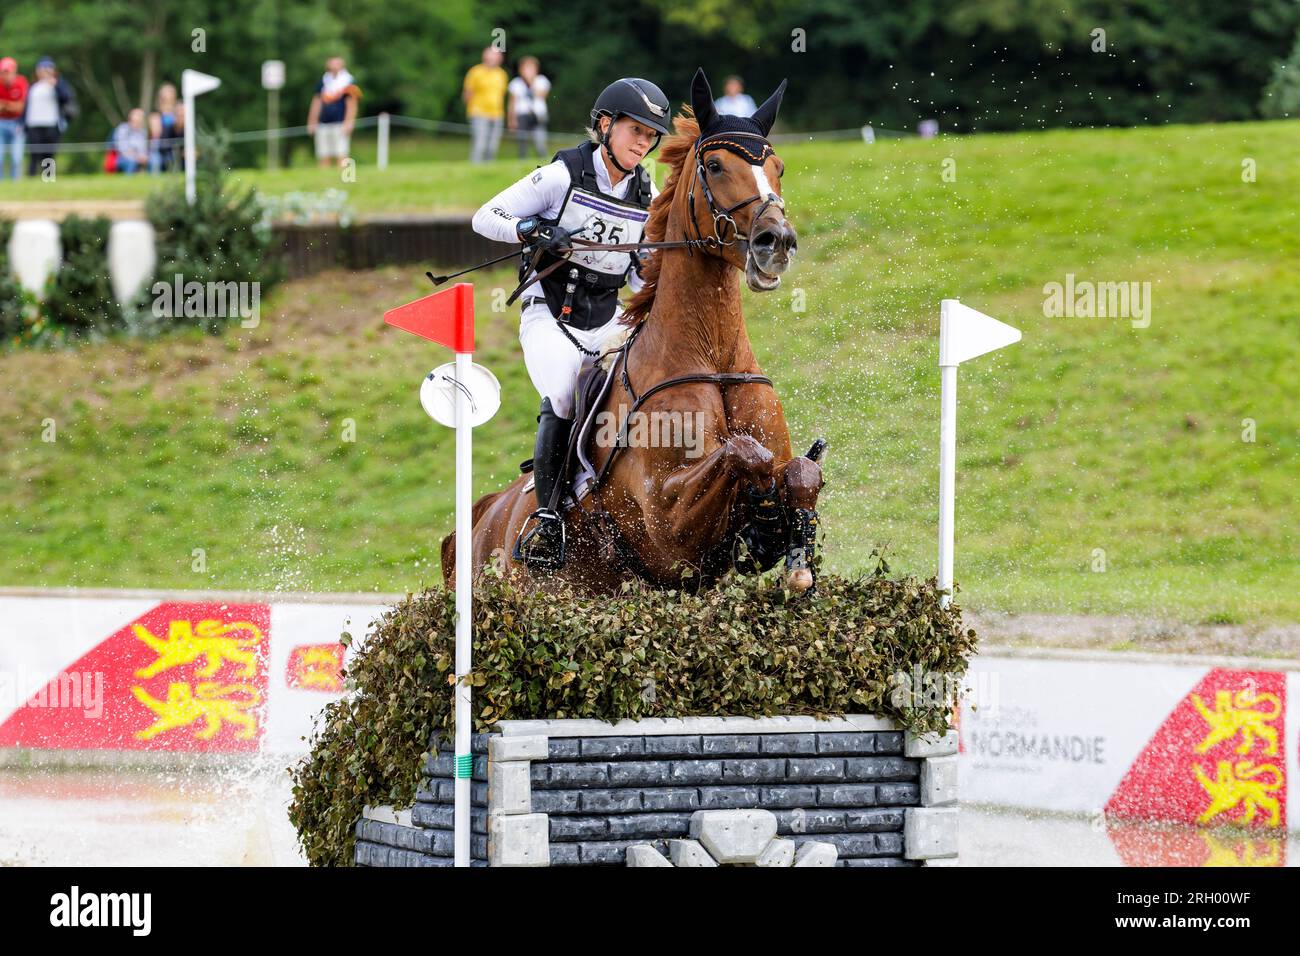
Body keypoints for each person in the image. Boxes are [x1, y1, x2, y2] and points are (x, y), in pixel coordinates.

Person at [471, 77, 670, 570]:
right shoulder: (561, 175)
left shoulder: (650, 192)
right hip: (550, 317)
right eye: (635, 130)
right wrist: (531, 228)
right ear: (605, 125)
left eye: (651, 136)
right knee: (563, 392)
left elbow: (643, 264)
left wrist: (650, 263)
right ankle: (547, 516)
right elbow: (485, 216)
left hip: (609, 320)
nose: (643, 143)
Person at [24, 58, 77, 177]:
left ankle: (48, 179)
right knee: (34, 154)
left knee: (49, 154)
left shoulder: (58, 84)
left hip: (51, 124)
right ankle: (31, 178)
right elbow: (26, 106)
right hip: (33, 124)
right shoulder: (33, 86)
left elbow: (66, 97)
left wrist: (55, 84)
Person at [307, 57, 361, 168]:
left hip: (340, 122)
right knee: (323, 153)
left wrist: (349, 122)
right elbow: (316, 102)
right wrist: (312, 121)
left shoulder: (349, 82)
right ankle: (324, 179)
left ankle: (342, 178)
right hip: (323, 123)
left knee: (341, 153)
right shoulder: (323, 81)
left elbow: (352, 103)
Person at [463, 47, 508, 163]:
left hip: (497, 114)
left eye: (496, 56)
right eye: (491, 55)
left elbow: (501, 95)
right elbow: (467, 94)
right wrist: (472, 110)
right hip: (479, 113)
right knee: (480, 144)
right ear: (485, 56)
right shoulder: (475, 72)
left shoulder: (502, 74)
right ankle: (474, 167)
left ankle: (488, 169)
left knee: (492, 146)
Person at [507, 56, 550, 158]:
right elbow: (512, 103)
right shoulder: (516, 83)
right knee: (522, 141)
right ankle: (523, 160)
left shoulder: (541, 80)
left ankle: (543, 159)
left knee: (540, 141)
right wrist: (511, 120)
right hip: (522, 115)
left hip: (538, 115)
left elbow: (542, 95)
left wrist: (530, 81)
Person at [0, 58, 29, 180]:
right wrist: (11, 106)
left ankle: (15, 183)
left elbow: (20, 108)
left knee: (16, 158)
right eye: (2, 72)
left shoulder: (21, 82)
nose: (4, 75)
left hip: (17, 124)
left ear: (14, 71)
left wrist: (4, 105)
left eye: (7, 72)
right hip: (1, 123)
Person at [148, 82, 184, 173]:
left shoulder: (179, 112)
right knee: (155, 160)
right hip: (159, 150)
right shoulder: (155, 115)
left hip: (176, 148)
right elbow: (156, 134)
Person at [111, 109, 150, 174]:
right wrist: (137, 157)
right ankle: (127, 181)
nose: (138, 123)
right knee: (131, 162)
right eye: (136, 121)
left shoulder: (143, 132)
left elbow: (143, 149)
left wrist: (144, 156)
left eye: (140, 121)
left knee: (154, 159)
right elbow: (122, 149)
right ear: (130, 120)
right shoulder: (122, 129)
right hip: (121, 158)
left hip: (139, 158)